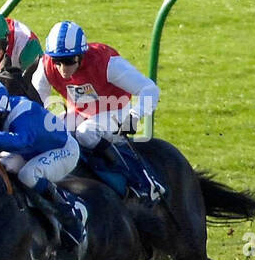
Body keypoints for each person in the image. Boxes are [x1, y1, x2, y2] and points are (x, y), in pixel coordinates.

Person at [32, 20, 164, 201]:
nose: (63, 69)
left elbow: (149, 89)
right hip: (80, 112)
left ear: (81, 55)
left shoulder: (107, 63)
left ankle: (139, 179)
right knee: (54, 129)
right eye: (58, 62)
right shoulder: (46, 66)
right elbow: (36, 100)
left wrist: (134, 117)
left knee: (87, 133)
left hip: (117, 110)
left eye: (69, 61)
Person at [0, 79, 86, 247]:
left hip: (63, 150)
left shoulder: (23, 112)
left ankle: (68, 211)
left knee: (28, 175)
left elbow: (21, 141)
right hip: (30, 150)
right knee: (1, 166)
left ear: (2, 114)